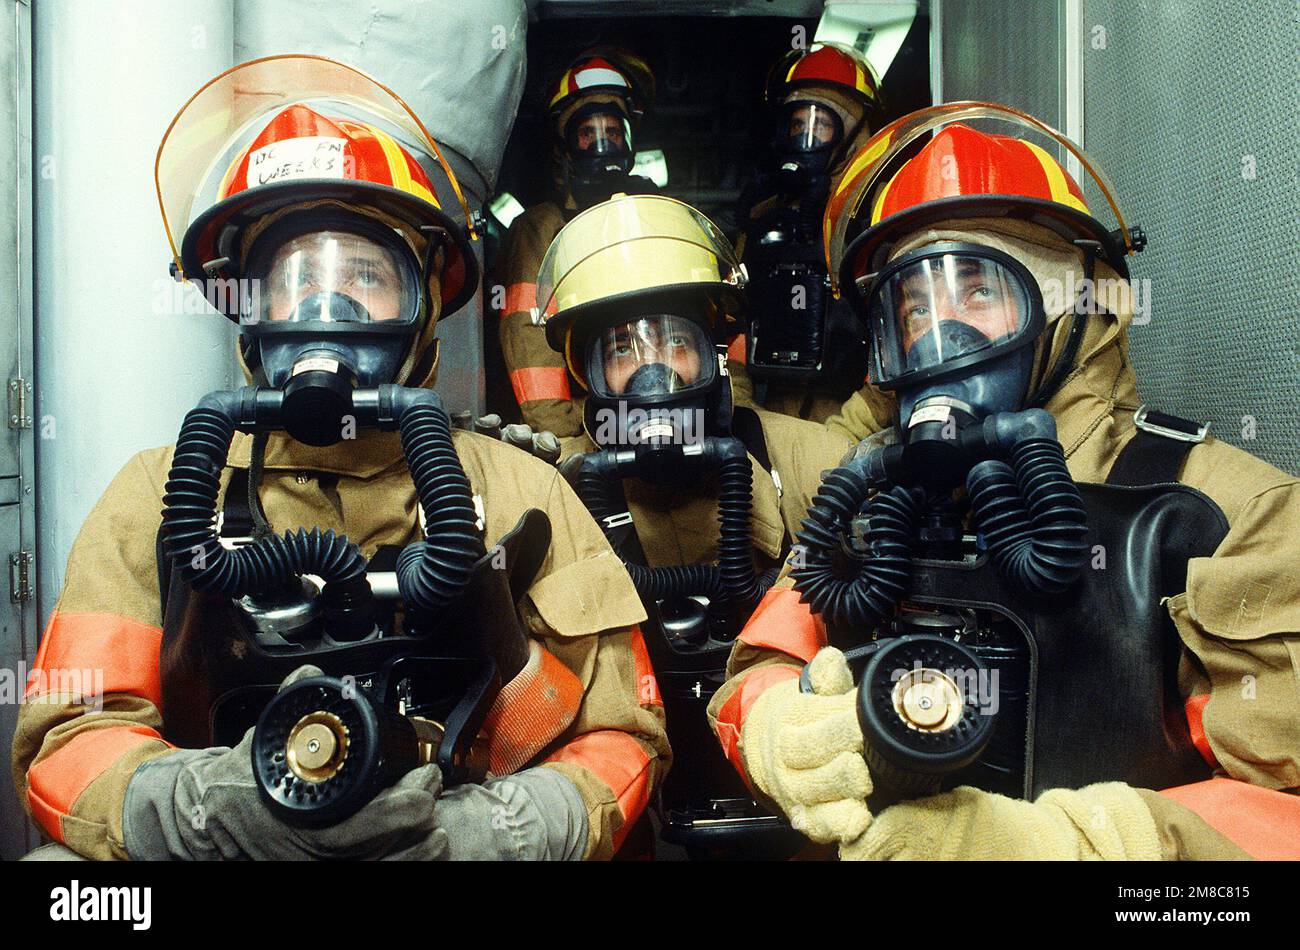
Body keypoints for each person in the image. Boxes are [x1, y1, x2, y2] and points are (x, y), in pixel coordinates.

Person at [12, 56, 668, 862]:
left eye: (366, 277)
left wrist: (501, 832)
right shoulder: (163, 492)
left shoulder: (518, 487)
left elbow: (624, 734)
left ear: (425, 306)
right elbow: (71, 738)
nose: (329, 309)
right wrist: (200, 812)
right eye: (296, 281)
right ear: (248, 309)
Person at [708, 104, 1300, 860]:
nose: (939, 335)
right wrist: (772, 731)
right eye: (913, 306)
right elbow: (763, 663)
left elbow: (1282, 809)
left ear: (1075, 309)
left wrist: (1072, 848)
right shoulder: (866, 498)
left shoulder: (1225, 513)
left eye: (979, 293)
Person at [536, 193, 852, 855]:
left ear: (715, 352)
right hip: (633, 806)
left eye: (675, 342)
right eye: (622, 351)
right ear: (586, 374)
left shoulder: (812, 462)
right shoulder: (555, 491)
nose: (654, 372)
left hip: (795, 804)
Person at [494, 47, 657, 446]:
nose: (604, 145)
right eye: (588, 134)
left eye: (613, 132)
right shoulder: (541, 227)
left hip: (661, 401)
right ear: (566, 148)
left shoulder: (656, 213)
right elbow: (527, 331)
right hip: (585, 421)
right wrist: (564, 435)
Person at [727, 41, 892, 433]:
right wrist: (746, 415)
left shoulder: (880, 214)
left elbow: (900, 336)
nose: (806, 138)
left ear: (854, 133)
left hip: (857, 418)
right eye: (797, 124)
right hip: (772, 412)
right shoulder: (762, 219)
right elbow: (734, 327)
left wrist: (849, 432)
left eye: (821, 125)